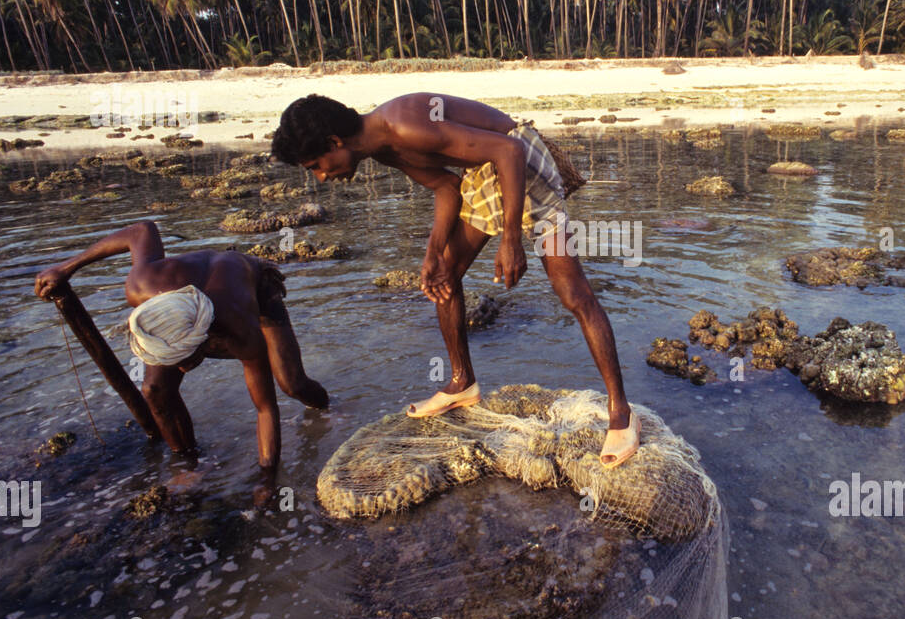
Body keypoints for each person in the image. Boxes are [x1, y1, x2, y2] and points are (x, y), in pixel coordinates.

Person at [270, 92, 641, 467]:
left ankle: (621, 412)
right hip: (483, 171)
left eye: (317, 165)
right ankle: (462, 383)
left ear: (335, 142)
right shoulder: (382, 149)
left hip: (520, 161)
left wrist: (511, 239)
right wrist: (432, 252)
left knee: (572, 292)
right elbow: (447, 188)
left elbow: (509, 150)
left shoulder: (404, 126)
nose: (322, 176)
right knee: (445, 274)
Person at [34, 221, 329, 469]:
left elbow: (265, 409)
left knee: (291, 383)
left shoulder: (240, 329)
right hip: (184, 298)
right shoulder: (141, 285)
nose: (182, 368)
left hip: (253, 285)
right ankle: (186, 463)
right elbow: (141, 230)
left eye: (185, 359)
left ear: (207, 342)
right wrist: (66, 267)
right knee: (154, 389)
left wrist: (268, 479)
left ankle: (328, 409)